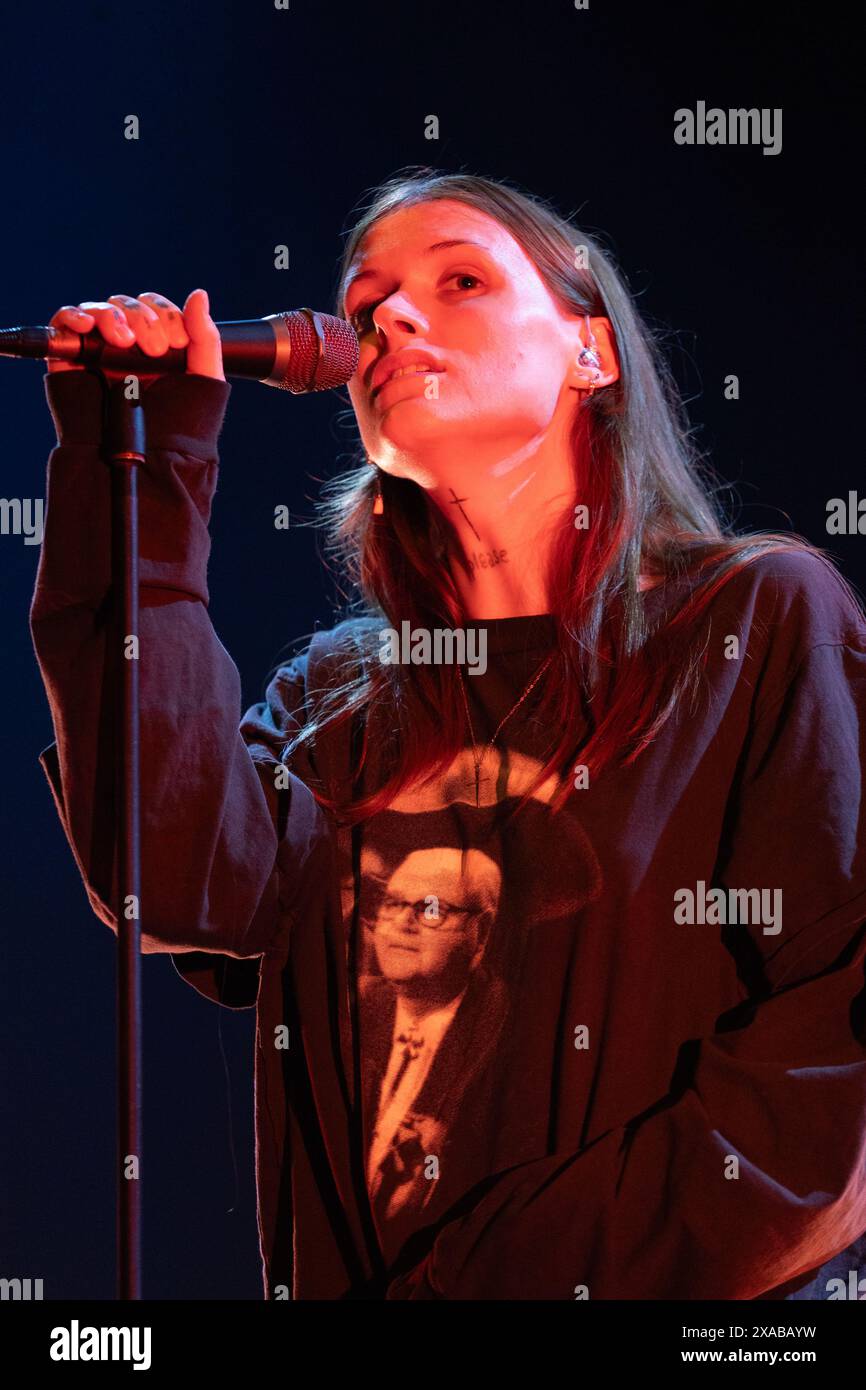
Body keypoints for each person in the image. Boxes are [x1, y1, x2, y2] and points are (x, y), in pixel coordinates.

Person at [31, 166, 866, 1301]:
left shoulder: (757, 619)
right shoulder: (343, 696)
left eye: (458, 279)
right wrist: (137, 470)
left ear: (591, 351)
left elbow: (831, 1060)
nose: (391, 322)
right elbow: (170, 881)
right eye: (366, 308)